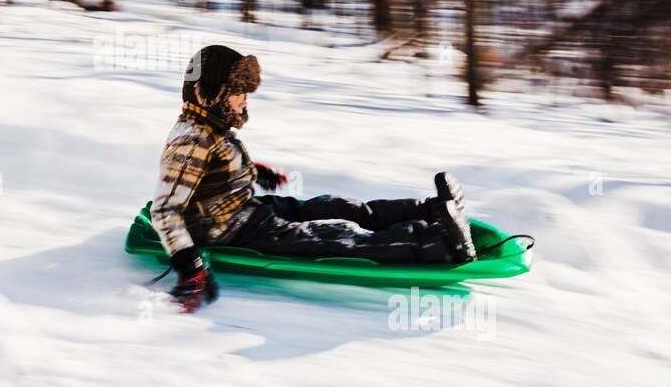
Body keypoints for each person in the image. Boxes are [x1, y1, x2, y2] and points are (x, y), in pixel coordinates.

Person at [150, 44, 477, 312]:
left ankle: (431, 211)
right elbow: (165, 211)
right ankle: (437, 243)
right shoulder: (190, 140)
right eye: (237, 92)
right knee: (335, 235)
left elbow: (216, 175)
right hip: (231, 230)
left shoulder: (212, 128)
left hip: (249, 210)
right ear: (208, 93)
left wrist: (256, 173)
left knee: (338, 206)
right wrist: (190, 266)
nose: (244, 100)